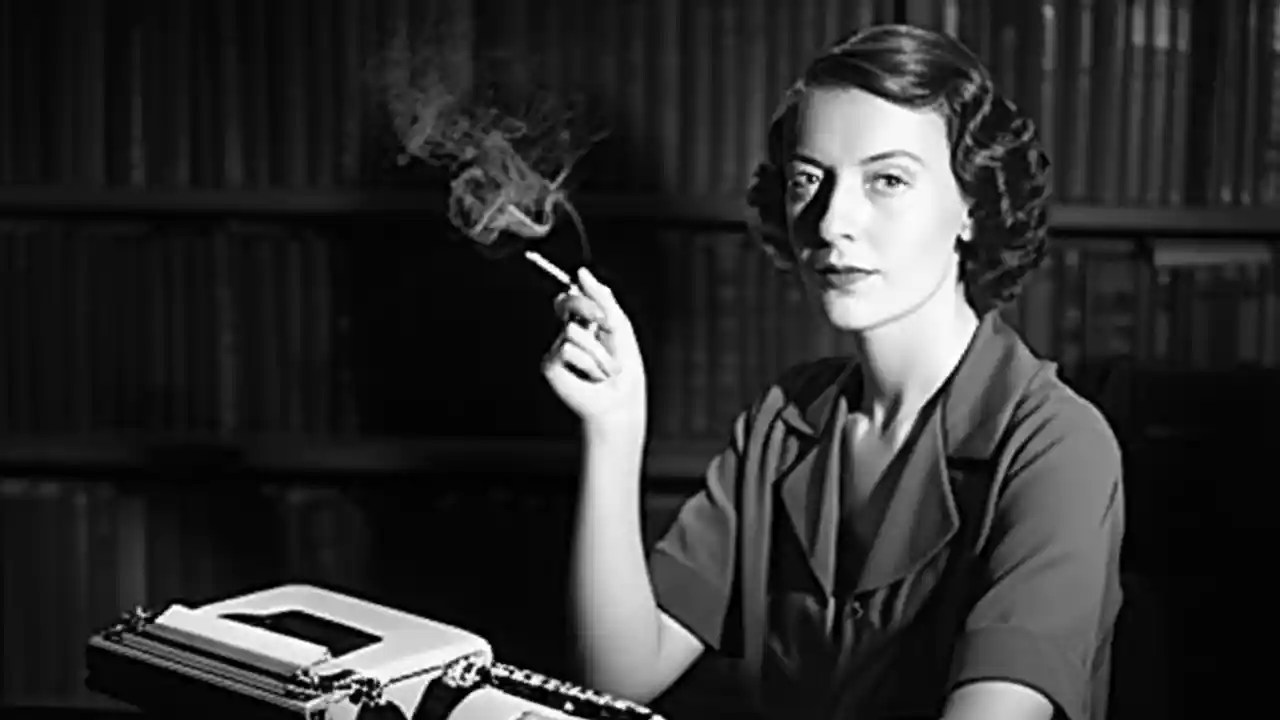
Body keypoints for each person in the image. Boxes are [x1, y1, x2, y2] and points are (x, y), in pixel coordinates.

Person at [541, 24, 1124, 720]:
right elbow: (619, 675)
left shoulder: (1058, 448)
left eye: (888, 180)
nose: (830, 220)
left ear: (972, 204)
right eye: (808, 181)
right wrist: (615, 427)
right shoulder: (783, 423)